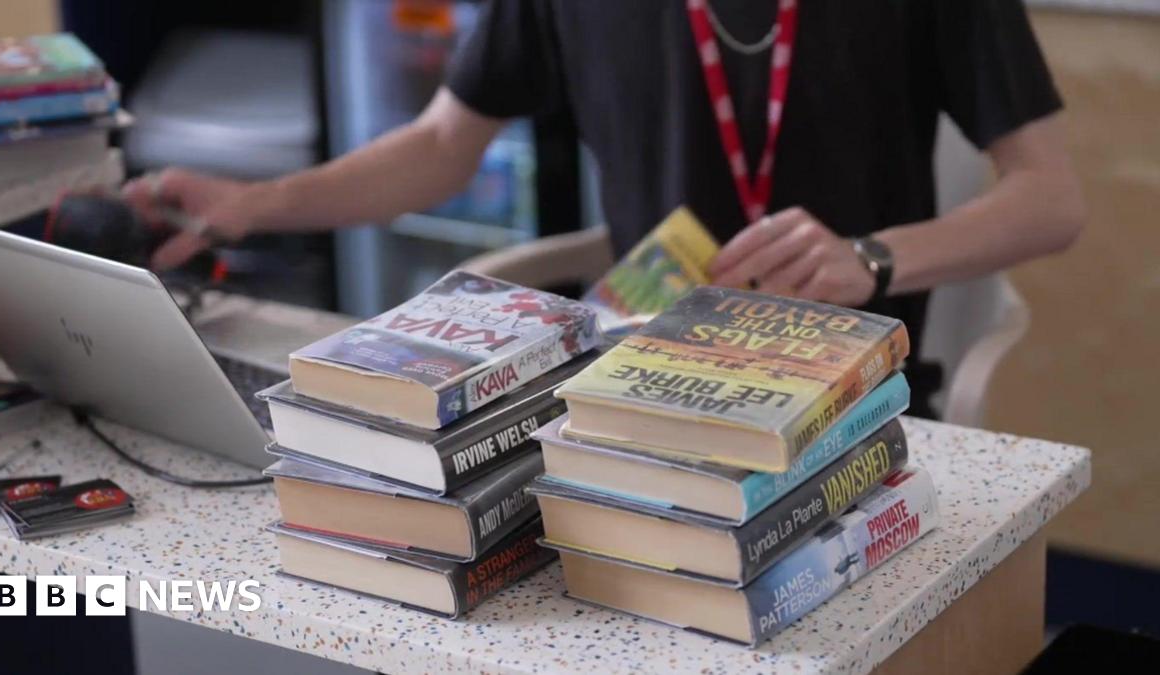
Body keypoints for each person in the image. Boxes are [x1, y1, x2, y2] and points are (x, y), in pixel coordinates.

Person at [124, 0, 1085, 418]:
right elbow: (439, 146)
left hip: (853, 397)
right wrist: (249, 205)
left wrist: (872, 257)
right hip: (633, 386)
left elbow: (1052, 199)